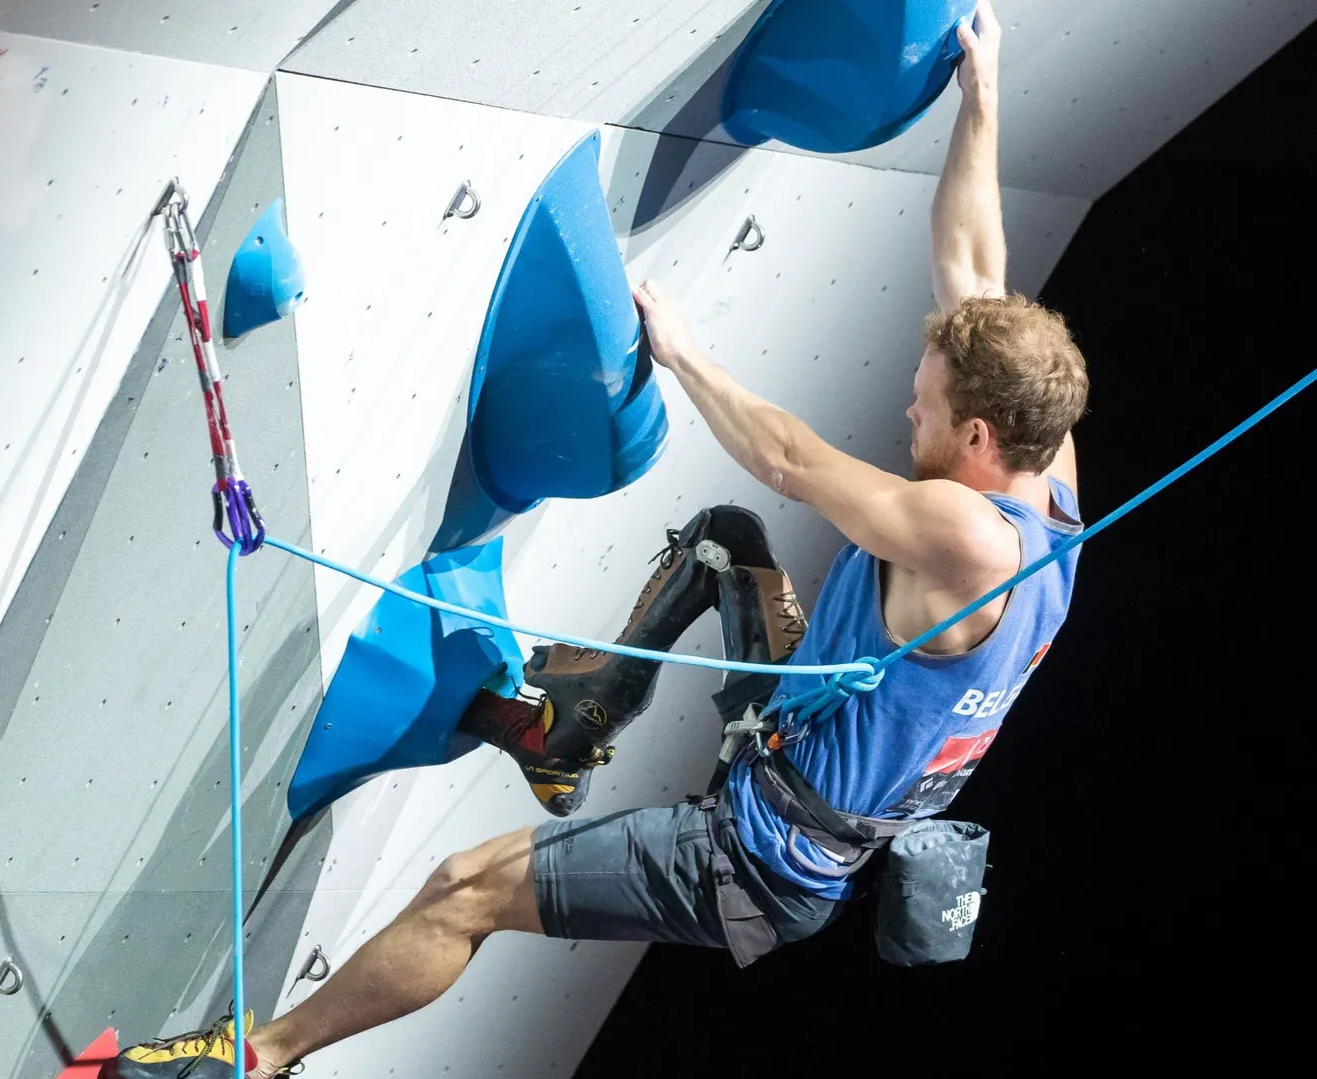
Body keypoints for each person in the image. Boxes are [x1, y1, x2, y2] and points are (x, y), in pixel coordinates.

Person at [108, 2, 1087, 1074]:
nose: (910, 405)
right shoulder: (1046, 475)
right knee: (723, 545)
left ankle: (259, 1056)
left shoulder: (969, 539)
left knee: (463, 890)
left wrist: (684, 353)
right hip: (798, 748)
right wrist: (981, 100)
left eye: (928, 402)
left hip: (759, 858)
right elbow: (975, 264)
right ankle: (566, 730)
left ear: (981, 438)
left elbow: (796, 463)